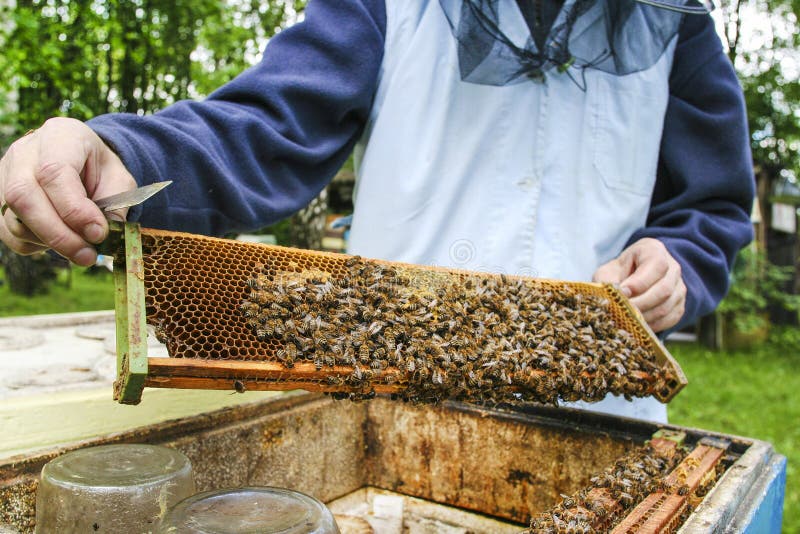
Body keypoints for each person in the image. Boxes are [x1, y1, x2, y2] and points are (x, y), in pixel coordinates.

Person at [0, 0, 754, 422]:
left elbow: (713, 205)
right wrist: (120, 154)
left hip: (599, 409)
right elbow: (263, 126)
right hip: (392, 399)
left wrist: (683, 260)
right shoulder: (383, 6)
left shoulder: (678, 28)